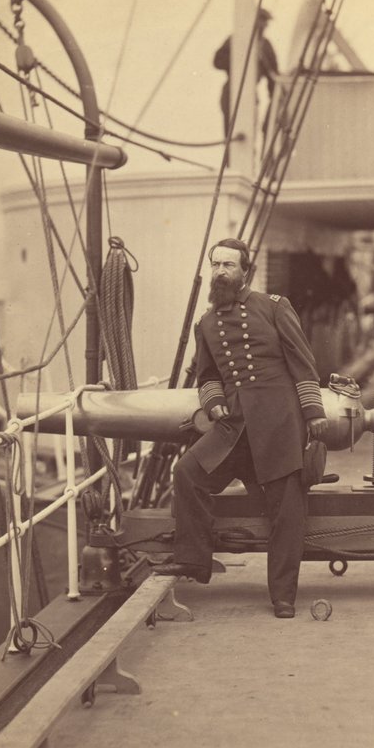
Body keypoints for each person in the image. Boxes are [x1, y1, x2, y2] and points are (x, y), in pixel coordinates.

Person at [154, 238, 328, 618]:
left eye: (228, 265)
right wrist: (213, 401)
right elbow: (207, 375)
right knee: (187, 473)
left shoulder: (274, 307)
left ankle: (283, 596)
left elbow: (303, 362)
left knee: (287, 510)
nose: (220, 272)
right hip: (234, 427)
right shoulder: (206, 323)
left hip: (279, 422)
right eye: (215, 264)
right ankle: (194, 560)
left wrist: (313, 413)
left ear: (245, 271)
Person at [214, 8, 279, 161]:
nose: (264, 26)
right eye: (262, 21)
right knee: (232, 137)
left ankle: (247, 168)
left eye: (266, 22)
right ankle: (230, 167)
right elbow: (217, 62)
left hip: (251, 94)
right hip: (231, 92)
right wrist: (236, 55)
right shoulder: (235, 39)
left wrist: (275, 99)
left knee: (249, 137)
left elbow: (273, 75)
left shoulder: (265, 46)